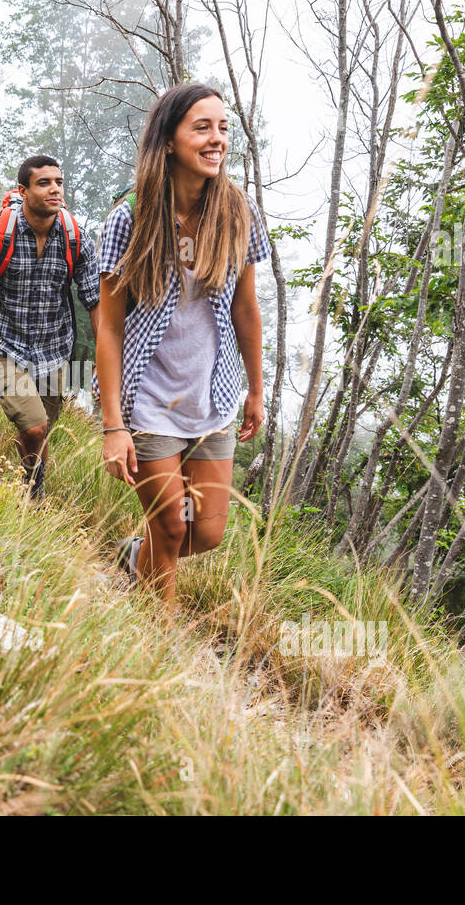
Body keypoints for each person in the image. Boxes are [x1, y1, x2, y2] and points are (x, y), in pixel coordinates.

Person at [95, 84, 272, 604]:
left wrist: (256, 391)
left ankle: (136, 556)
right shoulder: (131, 216)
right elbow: (109, 325)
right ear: (169, 140)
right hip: (147, 399)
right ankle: (157, 652)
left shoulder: (237, 211)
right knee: (171, 526)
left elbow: (245, 308)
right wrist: (112, 425)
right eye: (202, 127)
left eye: (222, 128)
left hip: (211, 395)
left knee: (205, 534)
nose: (217, 139)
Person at [0, 155, 101, 500]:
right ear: (23, 191)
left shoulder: (75, 236)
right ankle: (36, 494)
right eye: (44, 183)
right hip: (6, 348)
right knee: (34, 426)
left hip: (55, 351)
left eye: (59, 182)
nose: (55, 189)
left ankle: (32, 488)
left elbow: (95, 301)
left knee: (40, 432)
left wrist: (106, 363)